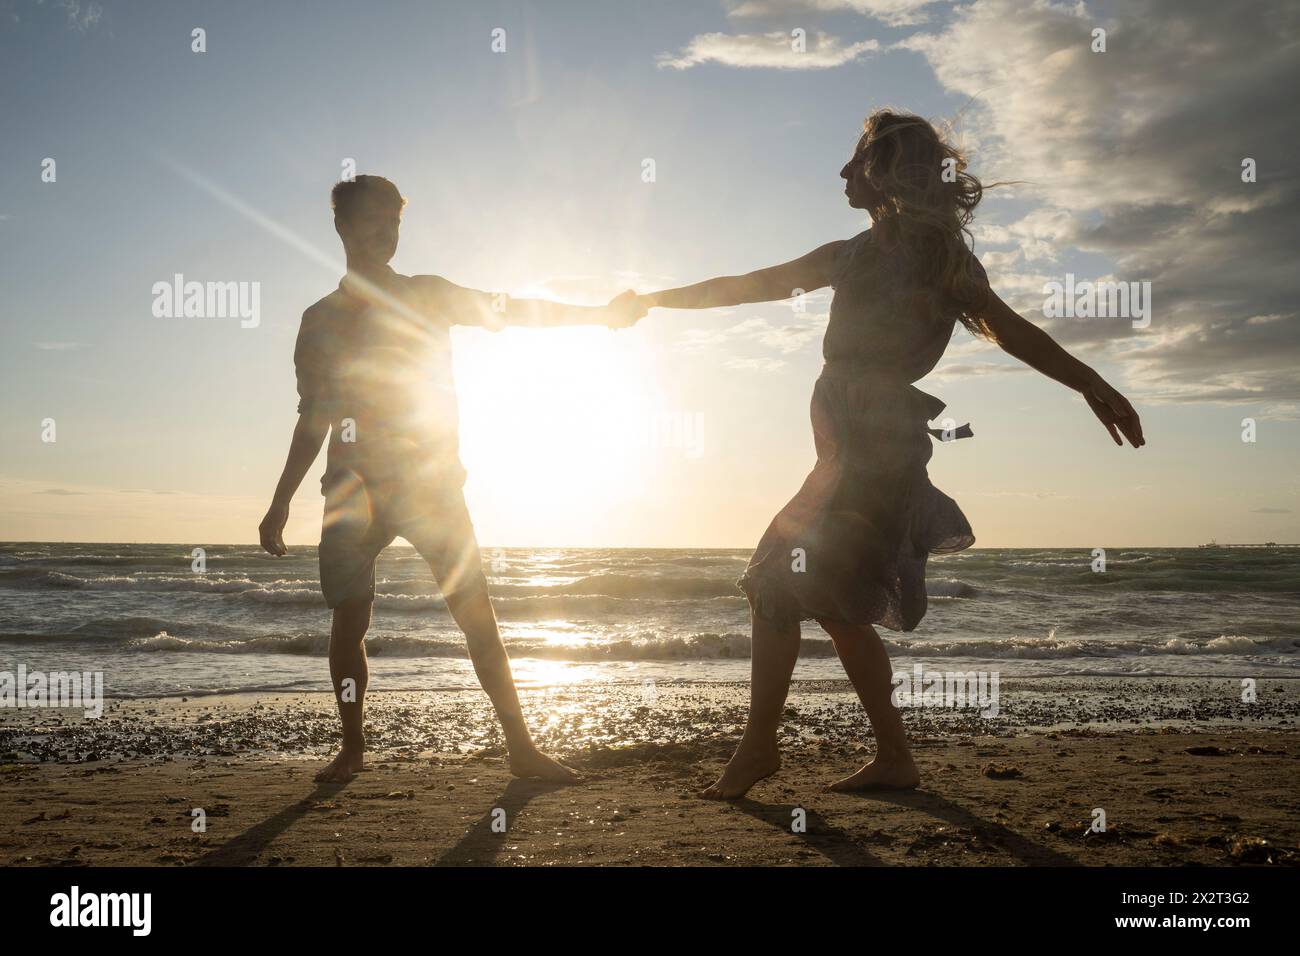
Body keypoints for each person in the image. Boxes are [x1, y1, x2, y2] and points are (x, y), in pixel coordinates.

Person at [634, 110, 1144, 799]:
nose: (843, 173)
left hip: (875, 447)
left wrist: (1092, 382)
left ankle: (761, 749)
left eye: (856, 161)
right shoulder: (847, 254)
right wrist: (652, 301)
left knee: (774, 577)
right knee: (834, 601)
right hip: (851, 444)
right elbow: (748, 284)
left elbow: (1013, 330)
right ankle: (886, 756)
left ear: (884, 171)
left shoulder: (939, 259)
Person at [258, 175, 643, 783]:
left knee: (475, 614)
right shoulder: (320, 319)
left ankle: (521, 748)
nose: (386, 233)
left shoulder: (428, 294)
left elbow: (509, 310)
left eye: (395, 222)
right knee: (350, 620)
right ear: (340, 226)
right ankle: (353, 748)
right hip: (351, 491)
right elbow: (314, 416)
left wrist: (598, 316)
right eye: (373, 220)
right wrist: (279, 503)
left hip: (430, 485)